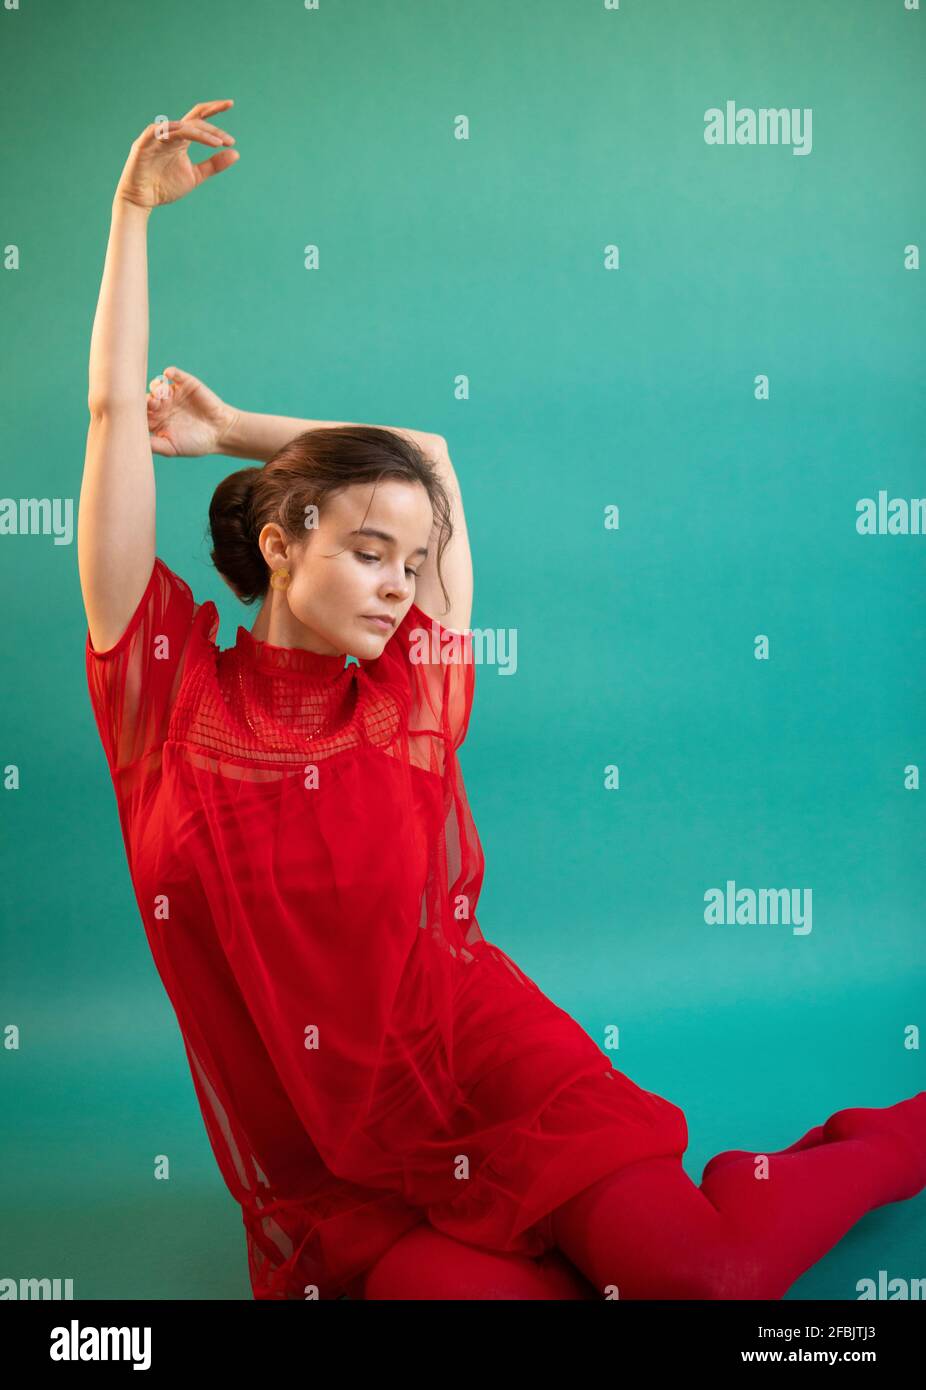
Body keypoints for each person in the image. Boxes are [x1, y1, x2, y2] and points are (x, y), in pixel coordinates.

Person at [79, 98, 926, 1302]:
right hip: (336, 1166)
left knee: (710, 1282)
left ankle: (878, 1143)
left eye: (412, 563)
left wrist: (234, 428)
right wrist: (131, 216)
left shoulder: (409, 697)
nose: (397, 585)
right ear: (280, 543)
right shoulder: (162, 693)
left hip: (489, 1074)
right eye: (367, 550)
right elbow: (115, 416)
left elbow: (426, 450)